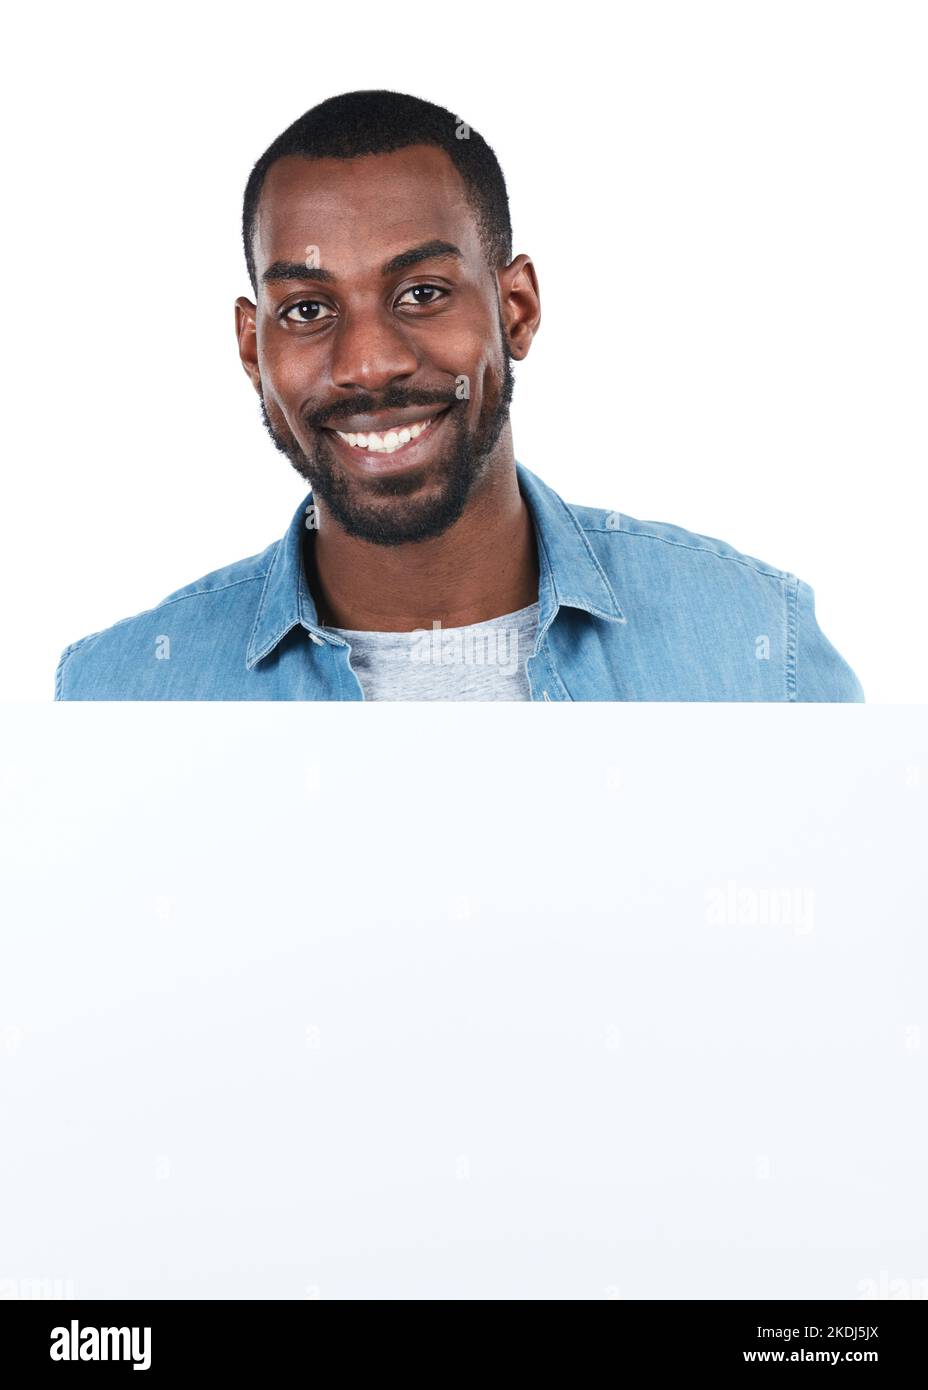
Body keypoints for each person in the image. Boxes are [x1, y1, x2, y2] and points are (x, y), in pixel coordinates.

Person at [56, 90, 864, 702]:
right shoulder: (118, 694)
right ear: (251, 347)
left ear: (516, 309)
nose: (369, 364)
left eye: (422, 293)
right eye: (307, 309)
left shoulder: (757, 648)